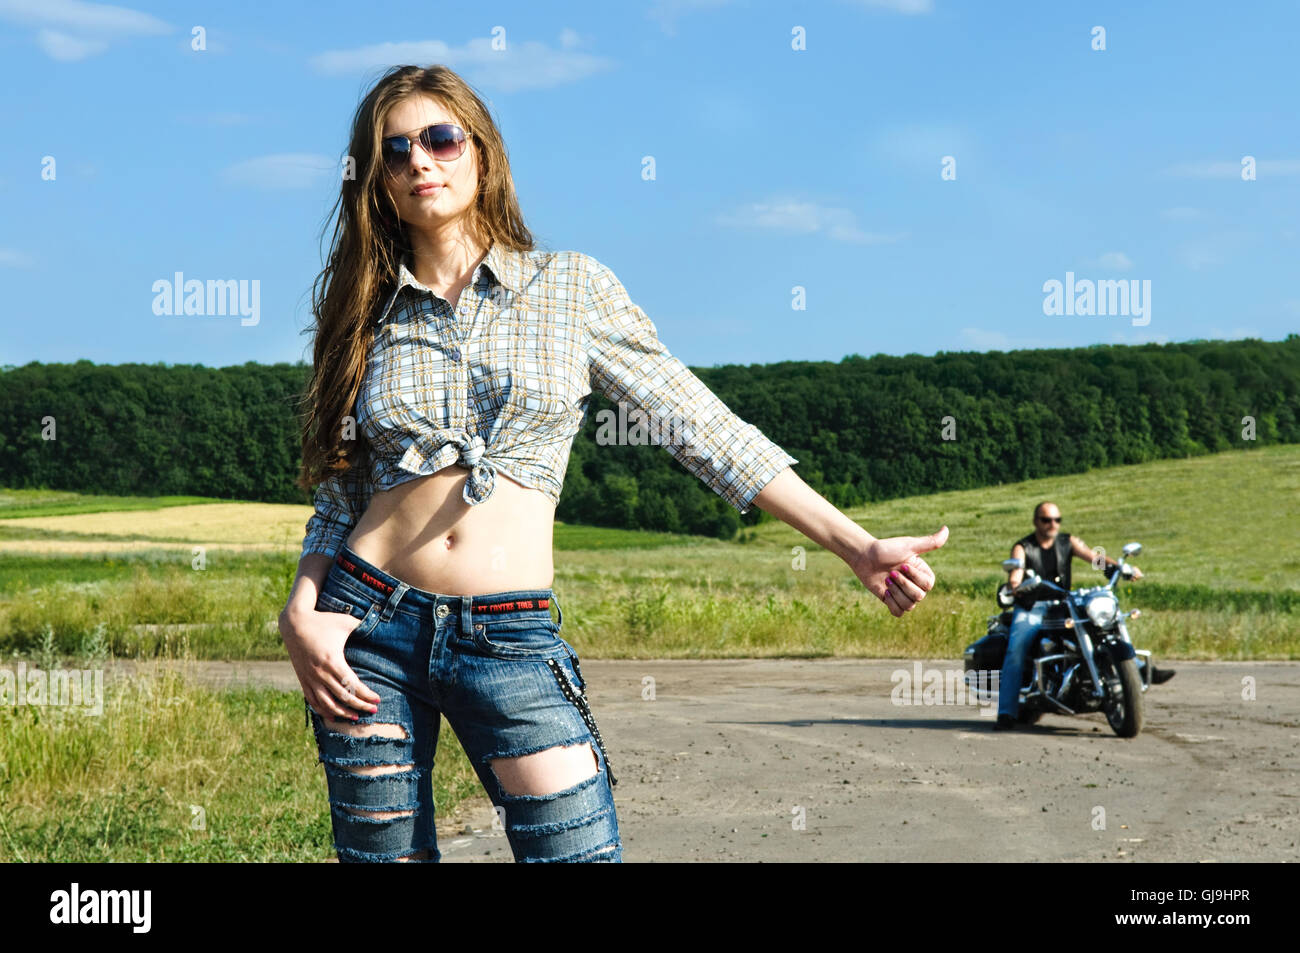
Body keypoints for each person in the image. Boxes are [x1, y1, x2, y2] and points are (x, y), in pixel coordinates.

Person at [278, 64, 949, 863]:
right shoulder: (364, 316)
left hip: (508, 632)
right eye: (394, 151)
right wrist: (301, 611)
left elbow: (702, 426)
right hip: (364, 624)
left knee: (576, 852)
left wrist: (855, 544)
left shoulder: (571, 289)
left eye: (439, 138)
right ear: (378, 181)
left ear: (480, 153)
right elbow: (342, 490)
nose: (419, 160)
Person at [995, 500, 1173, 730]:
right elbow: (1016, 572)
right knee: (1016, 649)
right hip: (1033, 605)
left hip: (1063, 601)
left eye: (1056, 520)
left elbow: (1093, 557)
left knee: (1104, 624)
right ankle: (1006, 713)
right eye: (1046, 520)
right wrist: (1016, 584)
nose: (1052, 524)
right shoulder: (1023, 547)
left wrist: (1117, 568)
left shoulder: (1067, 541)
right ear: (1035, 521)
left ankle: (1136, 667)